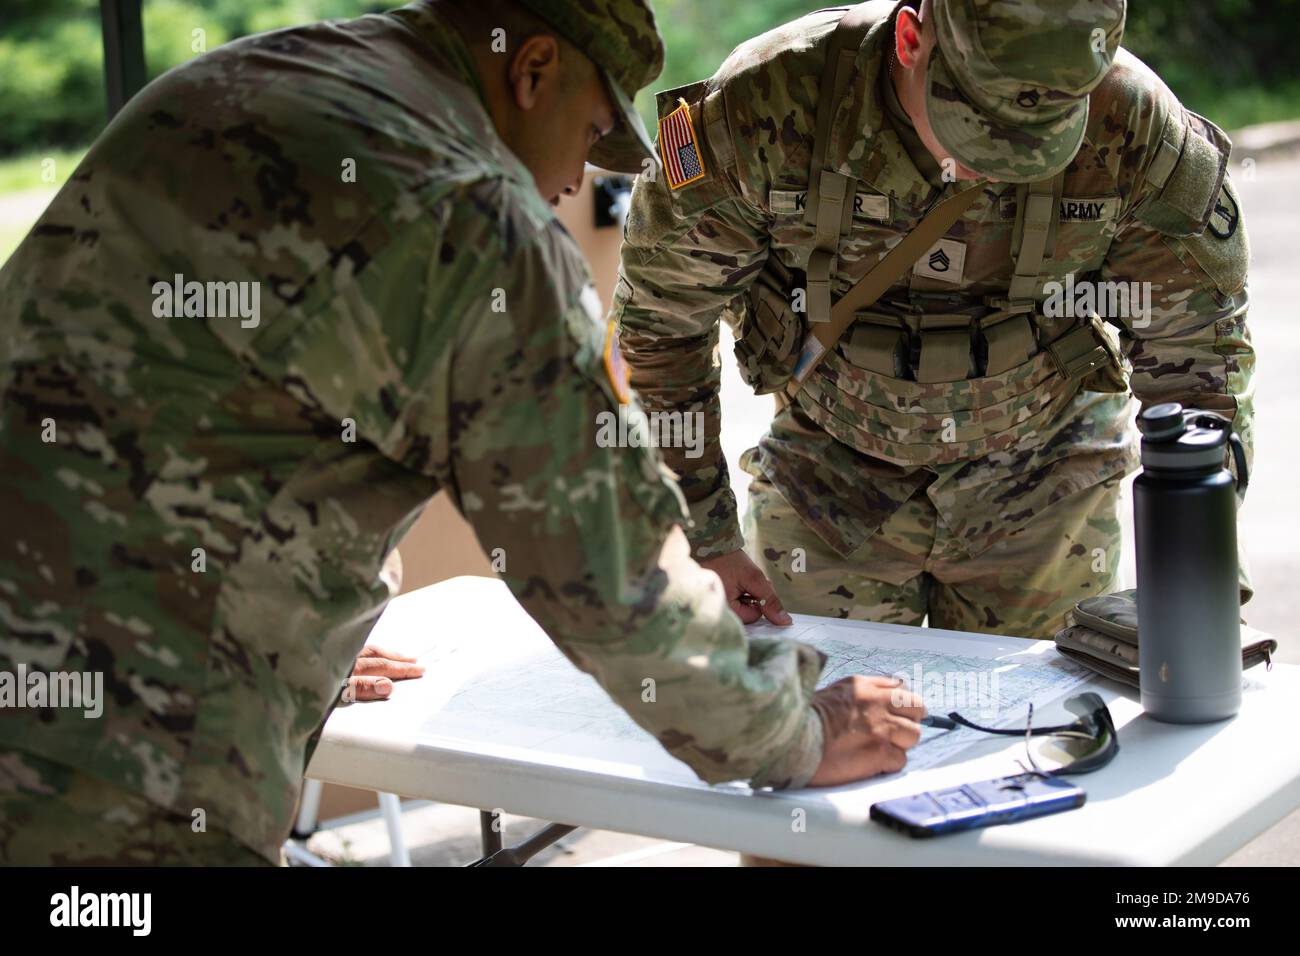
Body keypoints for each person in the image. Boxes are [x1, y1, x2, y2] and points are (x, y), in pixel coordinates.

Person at [0, 0, 923, 866]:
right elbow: (611, 574)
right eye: (595, 131)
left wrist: (279, 621)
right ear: (531, 69)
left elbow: (171, 397)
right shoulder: (467, 214)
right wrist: (796, 734)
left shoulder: (241, 82)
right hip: (116, 760)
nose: (575, 179)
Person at [613, 0, 1253, 639]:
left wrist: (1201, 558)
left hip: (1046, 489)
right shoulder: (767, 101)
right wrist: (701, 537)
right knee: (810, 719)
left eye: (1040, 136)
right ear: (910, 38)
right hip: (827, 479)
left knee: (1039, 724)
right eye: (974, 122)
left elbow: (1199, 348)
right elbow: (663, 325)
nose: (1003, 162)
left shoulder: (1133, 123)